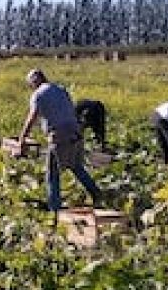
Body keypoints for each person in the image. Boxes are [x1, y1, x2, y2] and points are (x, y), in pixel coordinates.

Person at [17, 70, 103, 212]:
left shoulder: (38, 94)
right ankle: (97, 193)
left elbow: (32, 117)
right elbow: (67, 111)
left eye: (30, 85)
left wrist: (22, 139)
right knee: (75, 166)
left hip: (59, 136)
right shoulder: (61, 89)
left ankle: (54, 208)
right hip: (76, 133)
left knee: (52, 172)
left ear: (34, 82)